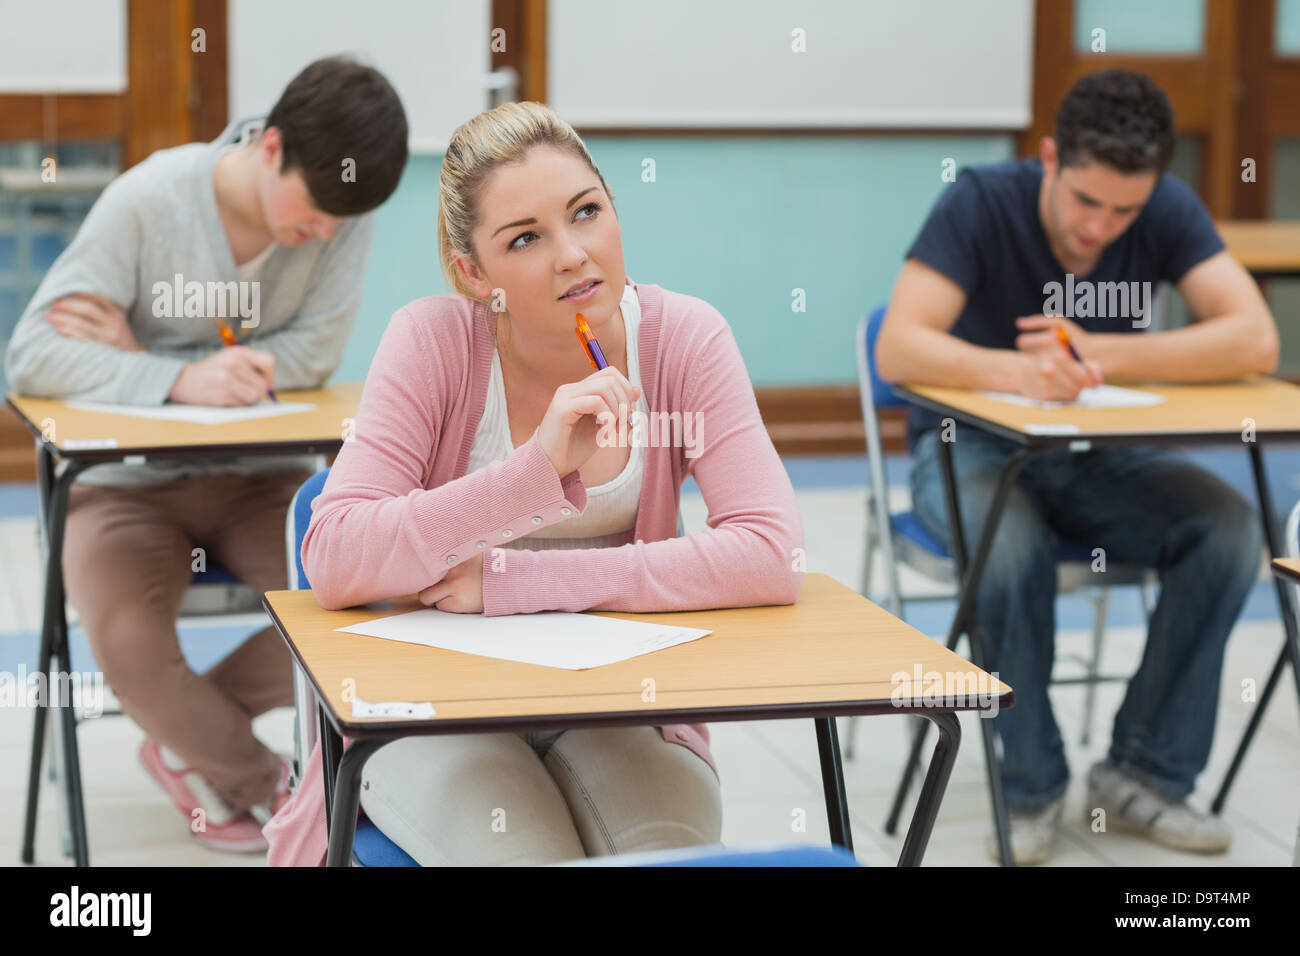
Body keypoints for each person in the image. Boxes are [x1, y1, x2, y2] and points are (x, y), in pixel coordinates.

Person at [266, 101, 803, 866]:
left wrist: (523, 581)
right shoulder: (432, 341)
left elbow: (771, 552)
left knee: (658, 855)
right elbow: (337, 555)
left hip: (621, 705)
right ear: (474, 273)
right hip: (435, 710)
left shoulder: (685, 339)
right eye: (525, 238)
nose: (573, 255)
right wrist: (536, 472)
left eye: (586, 212)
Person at [4, 55, 408, 852]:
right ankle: (273, 786)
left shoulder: (344, 214)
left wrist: (138, 358)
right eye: (315, 211)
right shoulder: (151, 198)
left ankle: (188, 743)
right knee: (126, 642)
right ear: (269, 146)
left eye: (339, 222)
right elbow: (32, 355)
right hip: (122, 487)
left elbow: (315, 354)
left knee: (367, 610)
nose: (322, 233)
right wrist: (179, 376)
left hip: (259, 478)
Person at [875, 68, 1276, 864]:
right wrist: (1014, 371)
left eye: (1124, 211)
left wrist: (1103, 351)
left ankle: (1144, 776)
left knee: (1228, 527)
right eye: (1086, 201)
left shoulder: (1163, 206)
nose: (1101, 228)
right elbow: (899, 346)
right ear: (1051, 158)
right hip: (970, 447)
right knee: (1011, 544)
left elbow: (1254, 338)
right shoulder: (981, 201)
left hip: (1095, 451)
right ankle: (1028, 788)